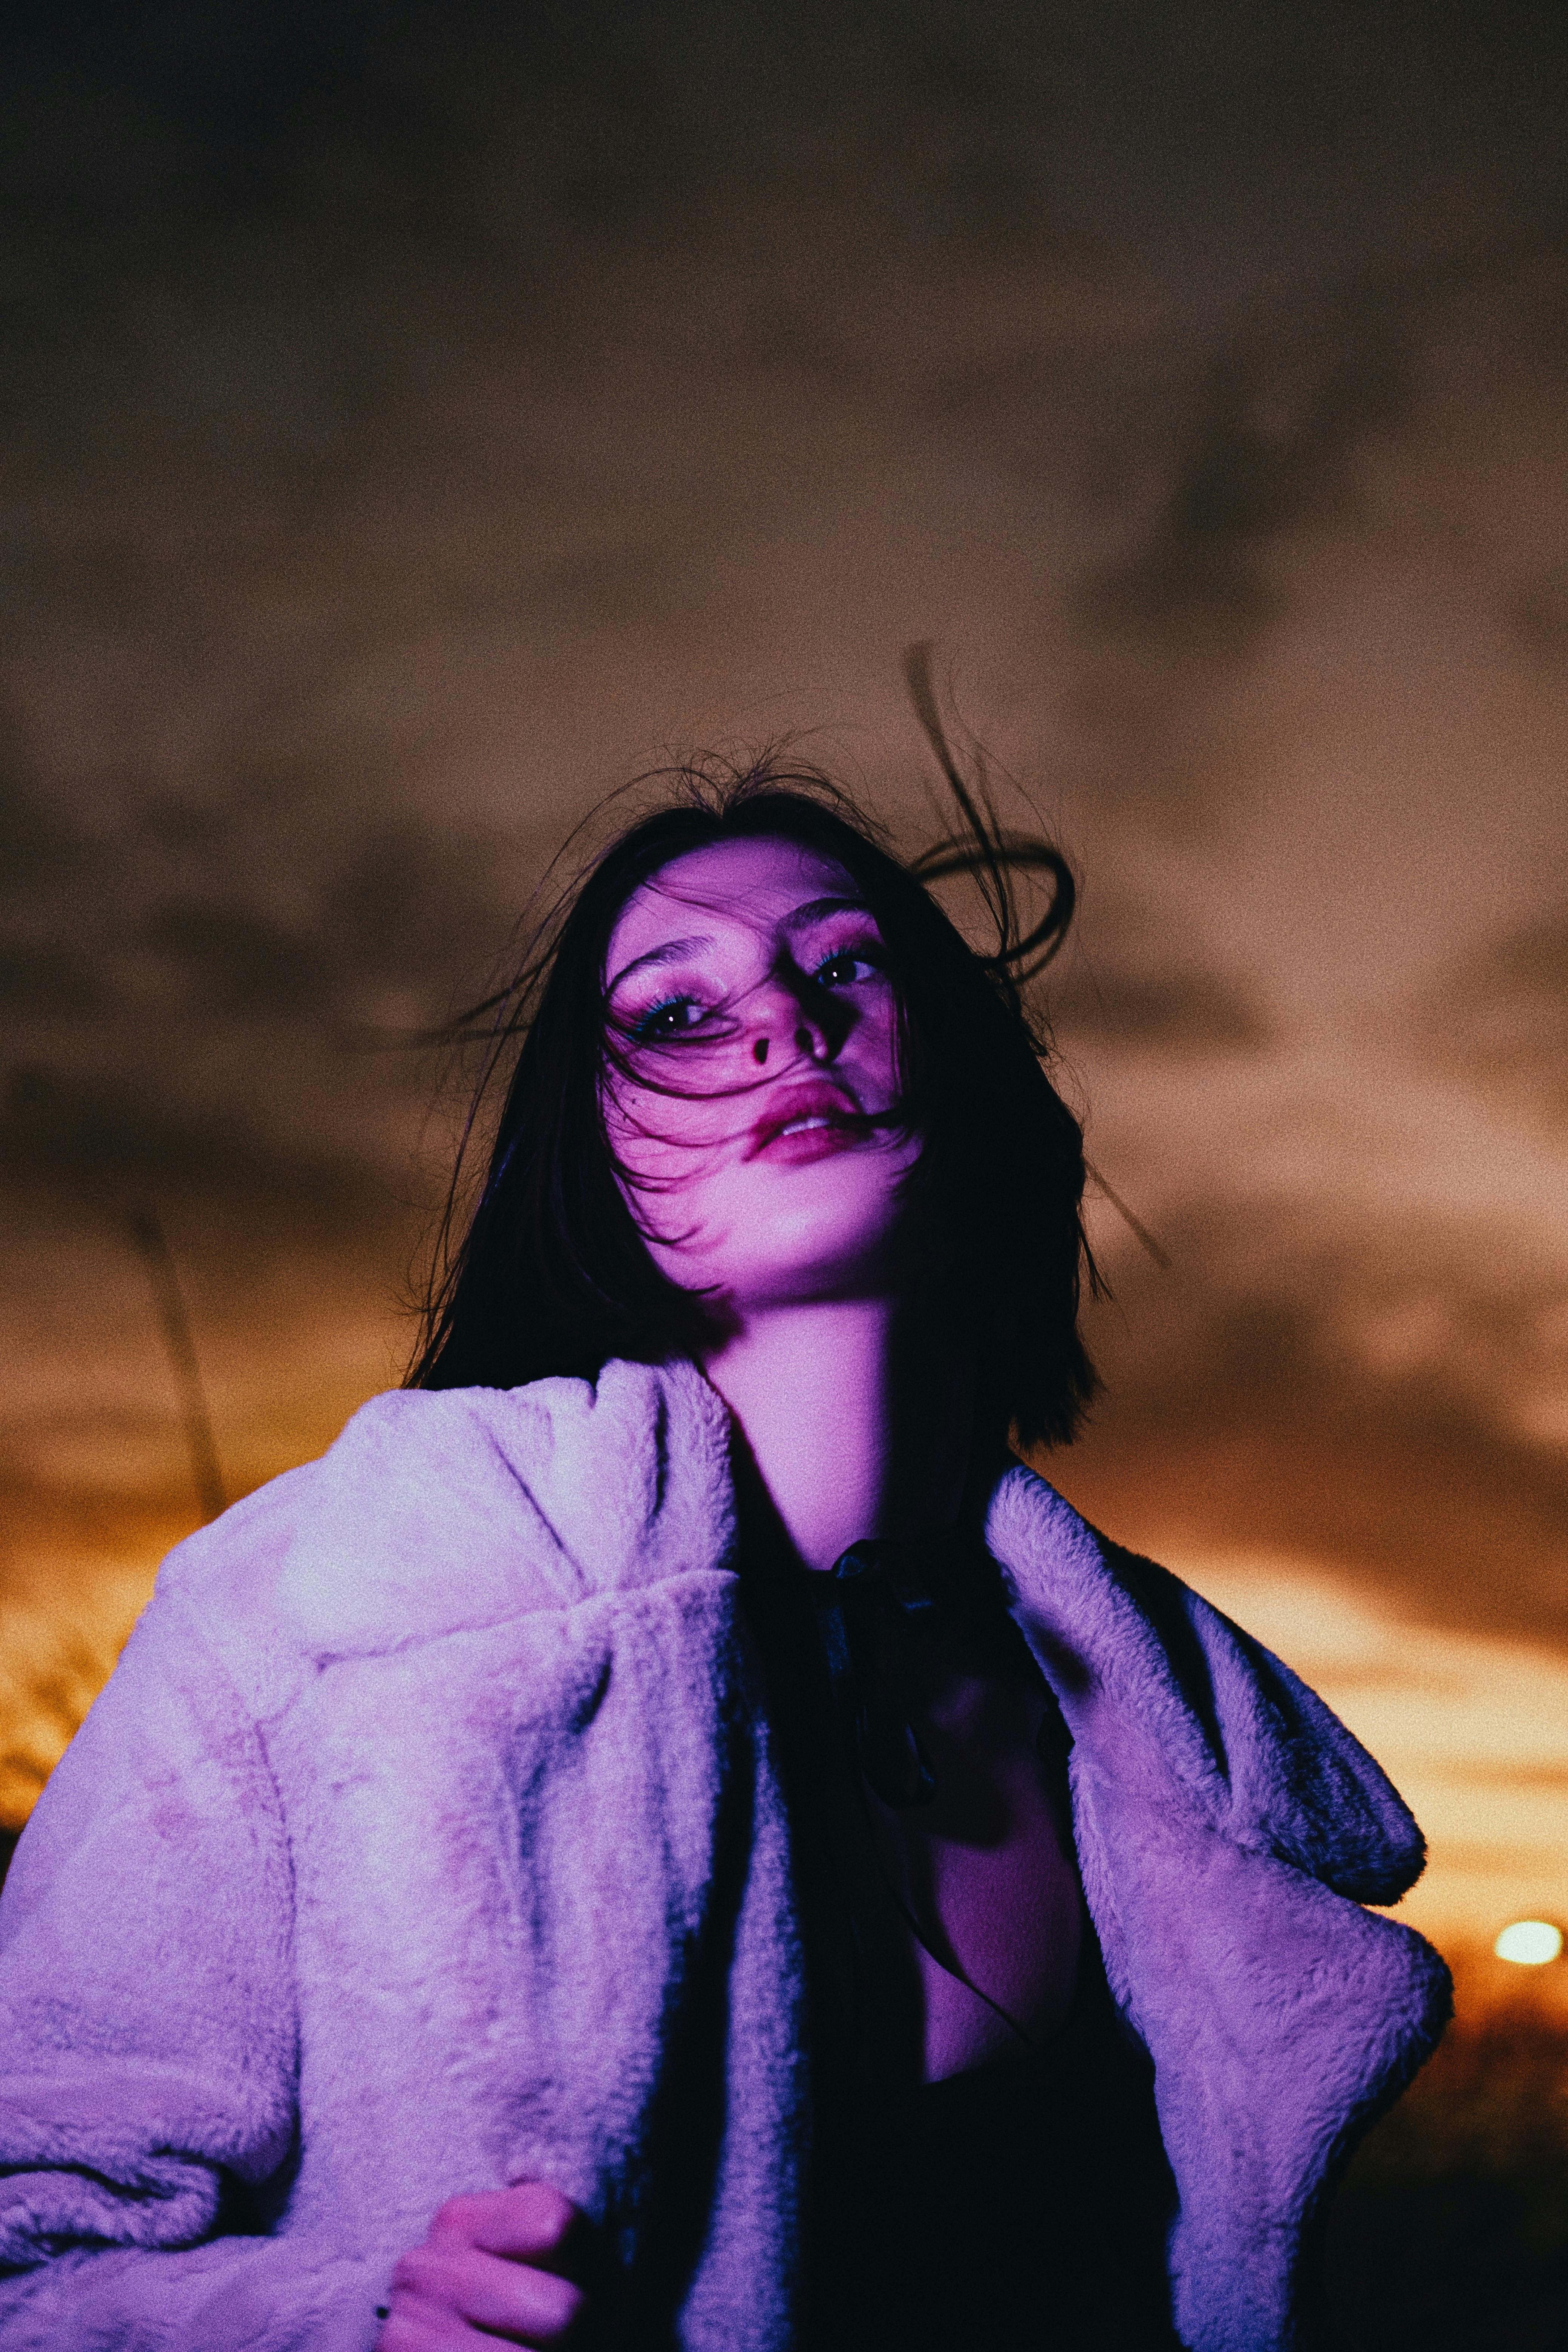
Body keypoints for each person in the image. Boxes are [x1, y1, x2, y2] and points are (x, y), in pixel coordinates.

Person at [0, 725, 1450, 2352]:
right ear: (587, 1154)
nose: (780, 1019)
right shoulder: (329, 1605)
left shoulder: (1166, 1726)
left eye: (850, 968)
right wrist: (351, 2325)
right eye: (676, 1012)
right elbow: (26, 2245)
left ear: (964, 1091)